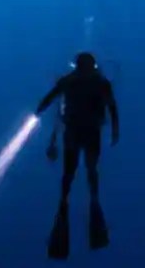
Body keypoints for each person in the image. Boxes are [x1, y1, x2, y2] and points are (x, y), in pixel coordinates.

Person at [36, 52, 118, 257]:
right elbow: (112, 108)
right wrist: (116, 129)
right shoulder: (101, 82)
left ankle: (66, 201)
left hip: (75, 130)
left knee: (71, 170)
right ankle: (92, 198)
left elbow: (52, 96)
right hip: (89, 131)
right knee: (89, 168)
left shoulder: (70, 80)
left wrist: (39, 110)